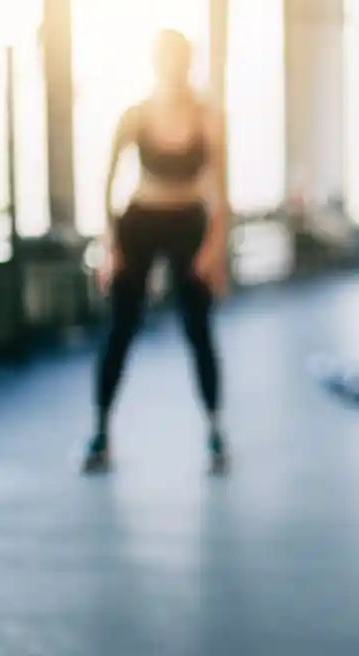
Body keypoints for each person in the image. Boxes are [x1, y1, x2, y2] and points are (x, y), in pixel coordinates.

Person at [83, 29, 230, 475]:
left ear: (189, 63)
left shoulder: (208, 117)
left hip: (189, 221)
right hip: (140, 220)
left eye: (180, 59)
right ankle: (100, 431)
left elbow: (222, 193)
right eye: (165, 58)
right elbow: (107, 185)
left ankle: (214, 431)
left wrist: (213, 252)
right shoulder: (135, 115)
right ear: (155, 63)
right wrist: (112, 249)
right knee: (121, 329)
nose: (174, 67)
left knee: (198, 330)